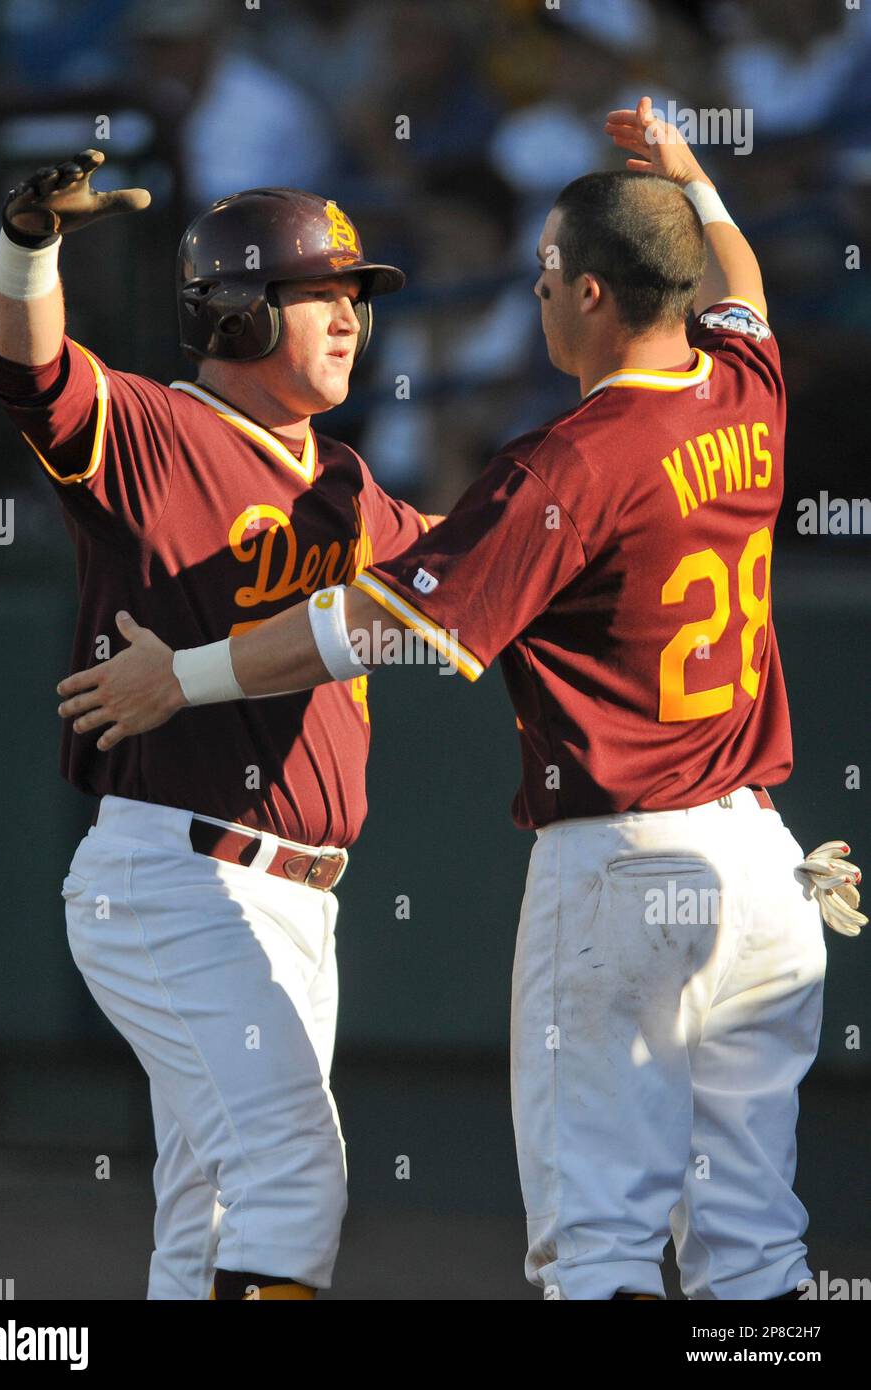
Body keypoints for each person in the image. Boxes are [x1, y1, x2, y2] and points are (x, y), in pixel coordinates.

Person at [58, 99, 868, 1301]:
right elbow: (734, 268)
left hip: (626, 869)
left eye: (548, 270)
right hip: (761, 874)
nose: (535, 290)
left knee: (596, 1245)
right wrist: (690, 175)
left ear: (592, 293)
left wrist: (180, 673)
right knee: (751, 1246)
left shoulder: (566, 464)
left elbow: (366, 627)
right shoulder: (747, 386)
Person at [0, 150, 439, 1301]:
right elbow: (31, 371)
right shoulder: (153, 429)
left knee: (212, 1210)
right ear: (235, 312)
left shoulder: (343, 482)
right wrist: (29, 245)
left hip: (295, 898)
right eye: (319, 292)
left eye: (357, 297)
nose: (349, 317)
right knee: (292, 1174)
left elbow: (458, 572)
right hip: (180, 874)